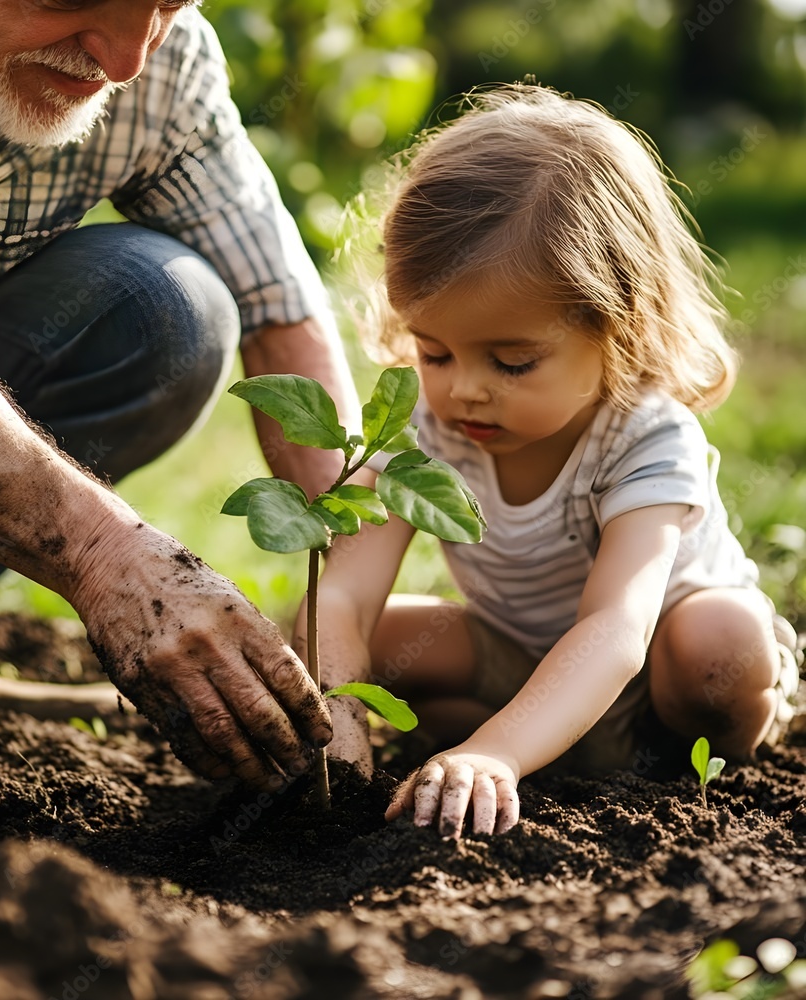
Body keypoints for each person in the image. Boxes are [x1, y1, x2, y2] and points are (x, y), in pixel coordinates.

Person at [0, 0, 365, 787]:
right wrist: (106, 557)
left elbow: (281, 313)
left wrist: (340, 621)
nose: (127, 59)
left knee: (167, 308)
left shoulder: (164, 67)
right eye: (74, 0)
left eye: (165, 8)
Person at [298, 84, 802, 837]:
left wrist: (496, 751)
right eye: (434, 351)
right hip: (521, 654)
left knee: (717, 646)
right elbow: (344, 598)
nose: (464, 391)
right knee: (332, 634)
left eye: (512, 362)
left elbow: (614, 629)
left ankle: (677, 770)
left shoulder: (645, 437)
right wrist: (339, 736)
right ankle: (549, 743)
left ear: (618, 327)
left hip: (658, 671)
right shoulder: (423, 425)